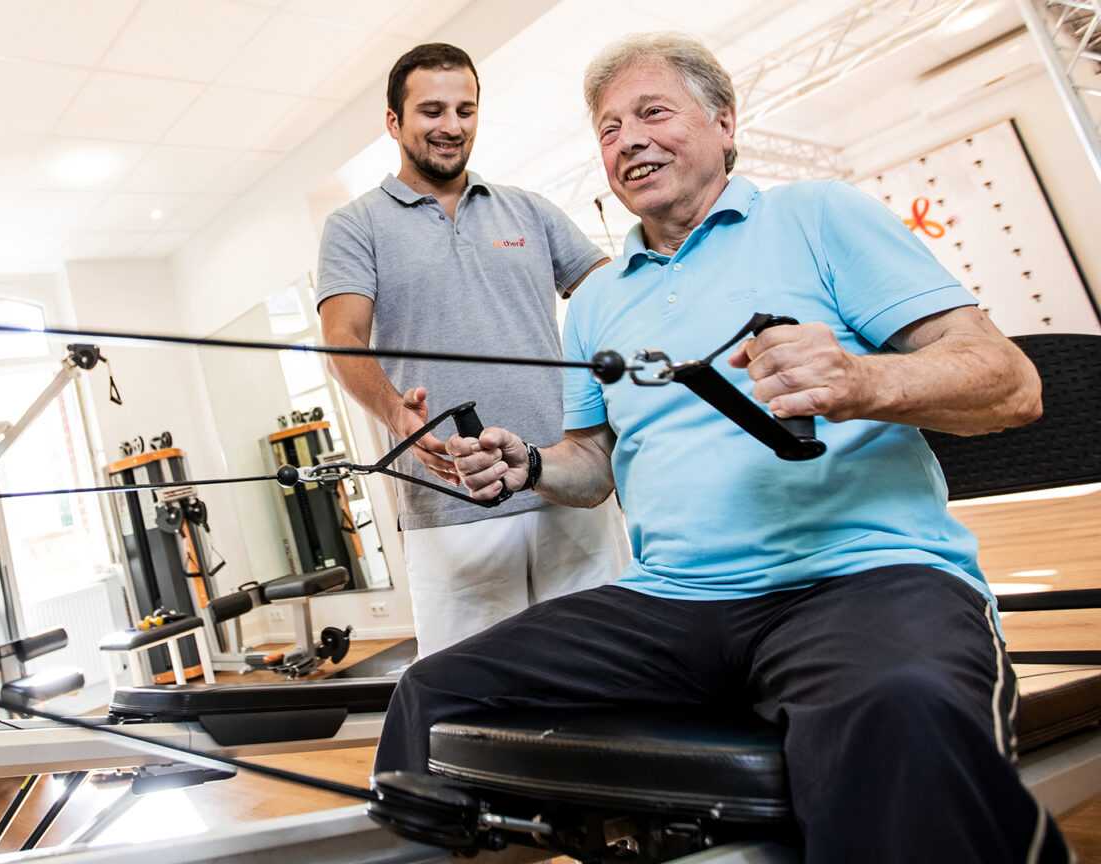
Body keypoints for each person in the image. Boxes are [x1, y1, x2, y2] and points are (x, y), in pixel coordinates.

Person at [376, 32, 1068, 863]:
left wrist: (862, 381)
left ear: (726, 123)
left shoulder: (818, 214)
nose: (627, 138)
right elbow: (591, 468)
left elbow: (1010, 382)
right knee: (437, 693)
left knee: (901, 702)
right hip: (673, 602)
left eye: (653, 112)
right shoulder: (595, 302)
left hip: (859, 580)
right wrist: (526, 464)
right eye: (607, 129)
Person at [316, 43, 630, 656]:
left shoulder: (529, 210)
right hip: (453, 504)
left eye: (466, 109)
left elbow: (612, 299)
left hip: (564, 484)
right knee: (479, 704)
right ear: (393, 121)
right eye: (431, 110)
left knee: (610, 677)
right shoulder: (355, 226)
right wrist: (395, 413)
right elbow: (344, 340)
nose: (452, 126)